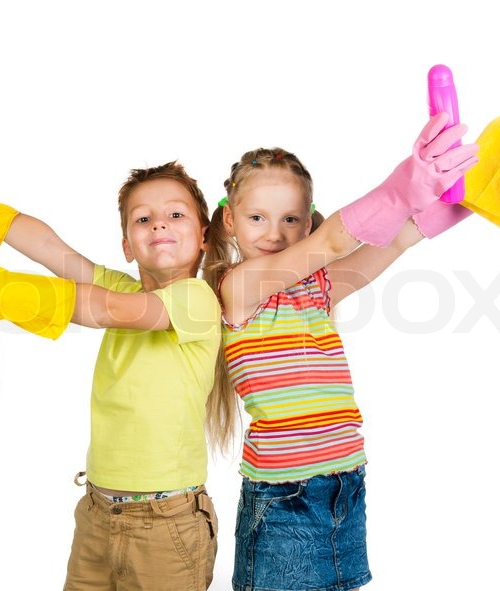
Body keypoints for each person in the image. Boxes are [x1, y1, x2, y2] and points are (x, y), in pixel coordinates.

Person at [0, 157, 221, 590]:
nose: (158, 225)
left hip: (166, 525)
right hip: (97, 513)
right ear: (127, 244)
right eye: (142, 218)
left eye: (175, 214)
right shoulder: (120, 284)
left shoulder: (197, 299)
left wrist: (3, 291)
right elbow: (50, 247)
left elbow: (110, 310)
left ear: (204, 236)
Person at [202, 113, 479, 591]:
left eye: (291, 219)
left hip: (345, 484)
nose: (274, 232)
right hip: (285, 499)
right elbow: (331, 241)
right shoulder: (238, 286)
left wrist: (473, 193)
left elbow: (397, 240)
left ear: (306, 219)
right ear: (230, 220)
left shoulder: (319, 289)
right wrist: (402, 186)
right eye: (257, 218)